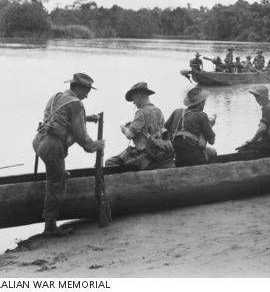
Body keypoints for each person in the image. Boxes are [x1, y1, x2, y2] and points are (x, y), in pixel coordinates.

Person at [32, 73, 105, 237]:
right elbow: (80, 136)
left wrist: (85, 118)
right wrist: (95, 145)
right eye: (86, 92)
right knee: (56, 185)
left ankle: (58, 173)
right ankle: (50, 227)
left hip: (39, 142)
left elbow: (58, 120)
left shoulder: (57, 96)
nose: (86, 96)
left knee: (56, 176)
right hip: (52, 146)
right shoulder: (76, 104)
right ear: (78, 88)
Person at [106, 82, 175, 170]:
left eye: (134, 99)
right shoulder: (158, 111)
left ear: (139, 97)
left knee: (110, 162)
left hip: (146, 153)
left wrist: (125, 129)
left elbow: (129, 135)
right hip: (159, 152)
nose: (133, 103)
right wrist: (134, 125)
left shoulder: (141, 112)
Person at [165, 87, 217, 167]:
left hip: (178, 155)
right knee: (213, 152)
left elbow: (164, 131)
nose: (204, 104)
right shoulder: (202, 116)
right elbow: (212, 141)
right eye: (204, 102)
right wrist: (210, 125)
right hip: (196, 157)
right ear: (200, 103)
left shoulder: (176, 112)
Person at [237, 85, 270, 153]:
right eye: (256, 97)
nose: (256, 99)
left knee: (243, 150)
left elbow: (262, 128)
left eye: (257, 97)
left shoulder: (267, 109)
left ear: (263, 98)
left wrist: (253, 140)